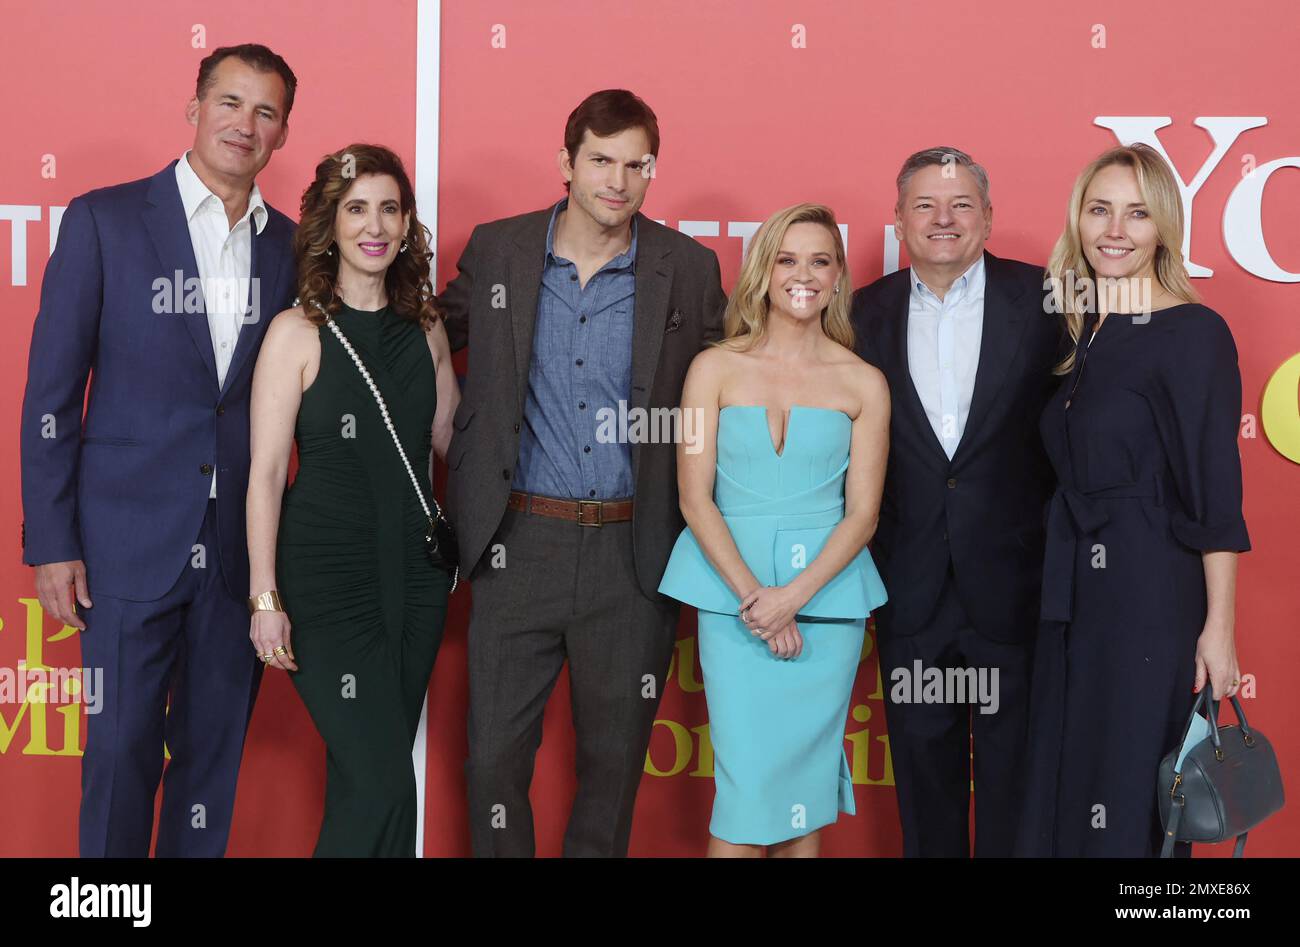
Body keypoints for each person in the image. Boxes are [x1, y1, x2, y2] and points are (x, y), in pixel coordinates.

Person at [19, 44, 298, 857]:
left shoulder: (289, 248)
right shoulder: (104, 221)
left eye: (266, 111)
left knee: (210, 763)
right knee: (117, 757)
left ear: (283, 133)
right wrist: (54, 541)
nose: (244, 124)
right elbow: (51, 396)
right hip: (124, 544)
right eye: (230, 102)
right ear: (194, 108)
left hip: (238, 551)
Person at [439, 89, 728, 857]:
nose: (618, 181)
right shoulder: (499, 250)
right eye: (601, 160)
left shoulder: (687, 268)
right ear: (565, 162)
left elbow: (735, 380)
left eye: (637, 165)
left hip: (633, 554)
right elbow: (420, 334)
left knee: (613, 770)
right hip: (516, 542)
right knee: (493, 762)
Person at [1016, 144, 1250, 857]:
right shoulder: (1083, 331)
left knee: (1128, 779)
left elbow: (1215, 493)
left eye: (1137, 214)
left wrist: (1219, 629)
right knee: (1067, 770)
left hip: (1149, 591)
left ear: (1164, 227)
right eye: (1100, 210)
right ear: (1078, 220)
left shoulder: (1194, 333)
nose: (1115, 230)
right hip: (1071, 589)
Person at [850, 147, 1065, 857]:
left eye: (961, 204)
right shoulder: (861, 312)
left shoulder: (1049, 302)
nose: (943, 219)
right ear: (899, 220)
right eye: (925, 205)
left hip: (1017, 592)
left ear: (988, 217)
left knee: (1016, 791)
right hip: (910, 593)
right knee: (925, 793)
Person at [246, 144, 459, 857]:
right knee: (383, 784)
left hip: (418, 579)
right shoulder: (296, 333)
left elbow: (450, 440)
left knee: (372, 772)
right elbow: (266, 472)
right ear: (329, 224)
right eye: (357, 208)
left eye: (389, 209)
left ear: (406, 224)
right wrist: (265, 597)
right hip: (327, 581)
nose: (375, 225)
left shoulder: (426, 326)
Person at [659, 204, 889, 857]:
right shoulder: (712, 369)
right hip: (734, 604)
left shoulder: (864, 383)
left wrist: (792, 598)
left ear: (838, 276)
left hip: (825, 608)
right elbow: (694, 498)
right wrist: (758, 600)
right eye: (787, 259)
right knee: (745, 792)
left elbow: (863, 515)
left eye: (820, 261)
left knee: (803, 799)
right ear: (762, 272)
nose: (803, 275)